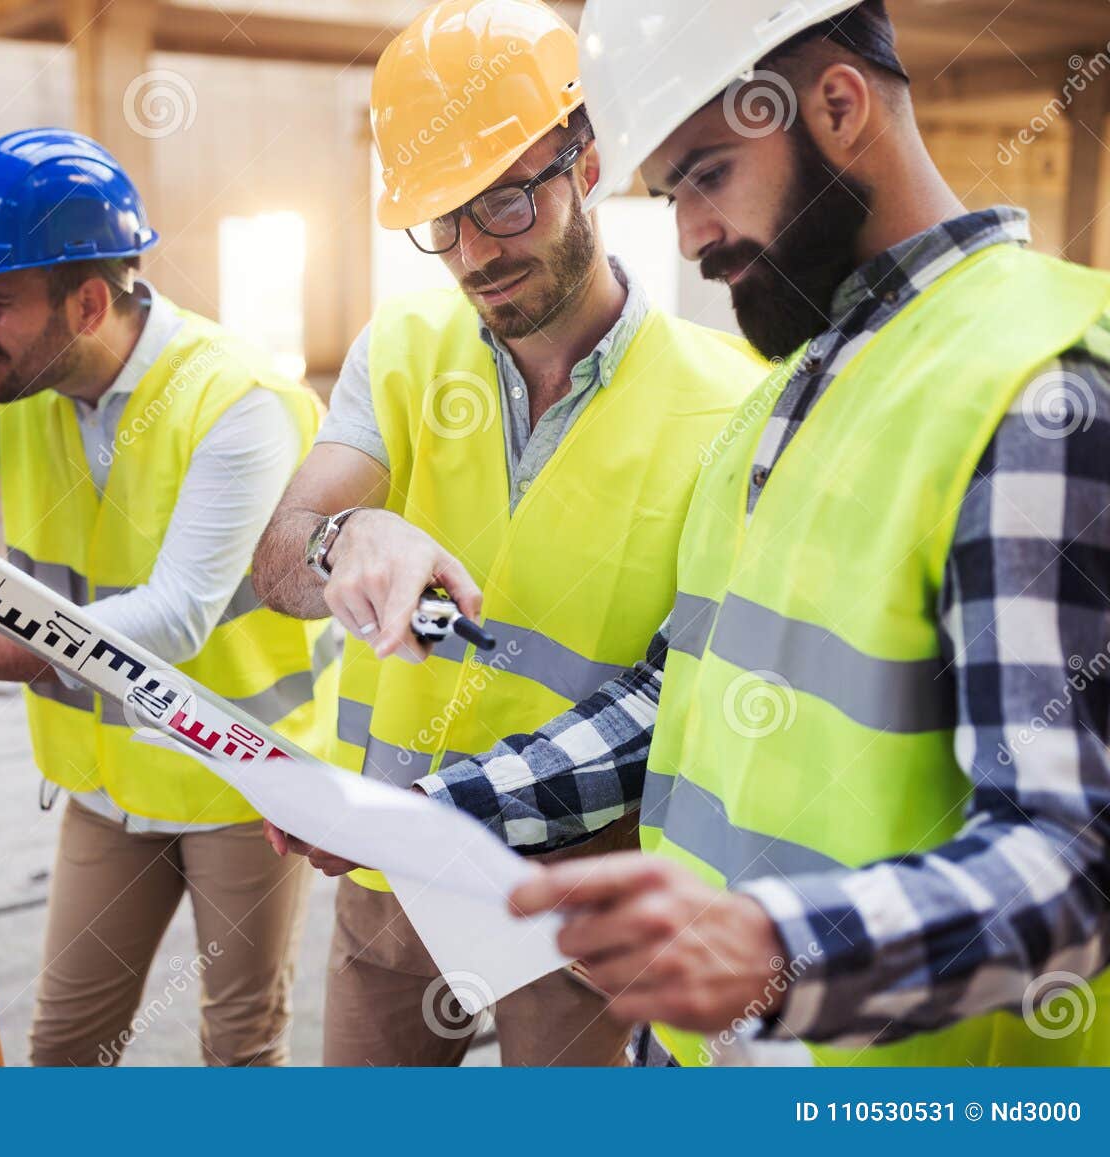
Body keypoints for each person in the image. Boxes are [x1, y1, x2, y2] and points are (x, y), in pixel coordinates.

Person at [422, 0, 1110, 1065]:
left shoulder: (1034, 394)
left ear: (837, 106)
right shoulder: (782, 392)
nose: (691, 238)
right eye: (671, 193)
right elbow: (677, 692)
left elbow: (1071, 855)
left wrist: (782, 950)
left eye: (705, 175)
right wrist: (433, 812)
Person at [250, 0, 767, 1066]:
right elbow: (277, 557)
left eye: (506, 201)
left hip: (578, 889)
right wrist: (345, 537)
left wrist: (431, 814)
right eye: (441, 220)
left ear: (586, 163)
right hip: (389, 874)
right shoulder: (400, 348)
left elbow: (683, 696)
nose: (476, 252)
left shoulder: (731, 406)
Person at [0, 129, 338, 1066]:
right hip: (110, 783)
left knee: (240, 1049)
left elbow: (179, 615)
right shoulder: (17, 386)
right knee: (66, 1049)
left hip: (243, 781)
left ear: (90, 300)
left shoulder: (239, 402)